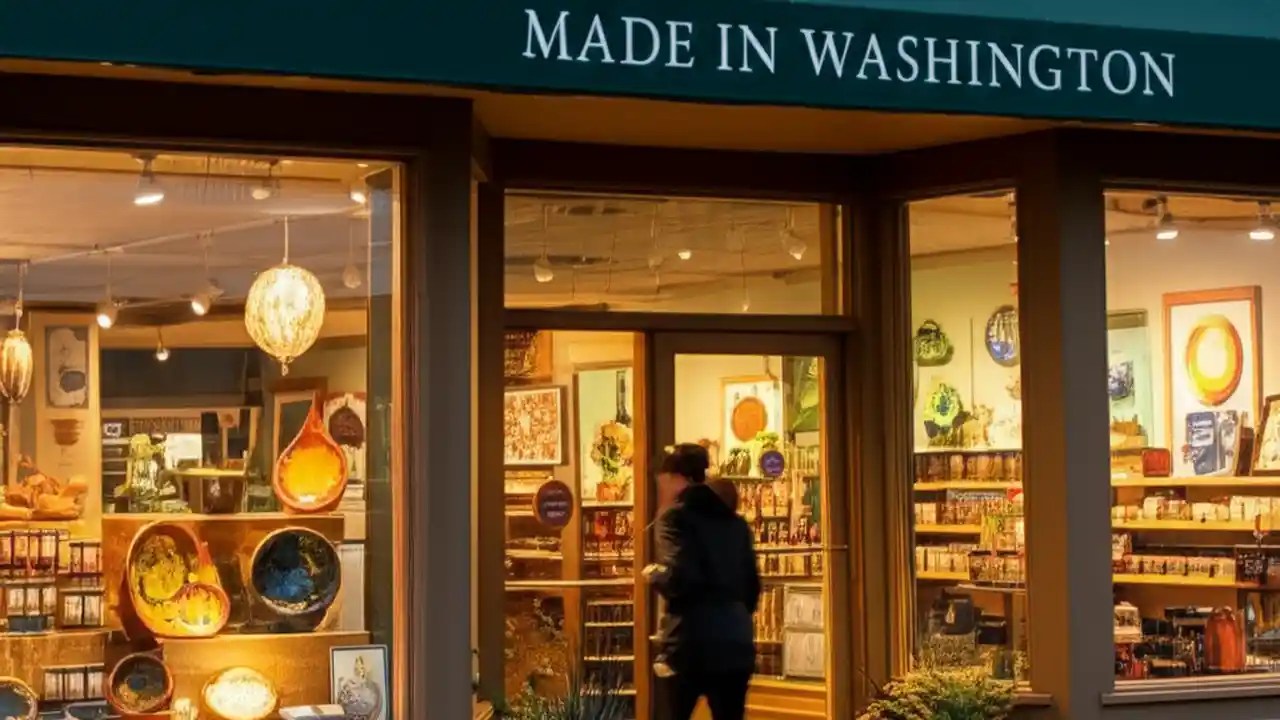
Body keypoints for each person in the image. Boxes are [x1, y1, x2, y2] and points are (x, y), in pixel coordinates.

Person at [644, 444, 760, 720]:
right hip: (736, 645)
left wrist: (653, 574)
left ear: (673, 477)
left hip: (689, 644)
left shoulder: (675, 517)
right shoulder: (736, 524)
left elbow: (680, 577)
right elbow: (752, 589)